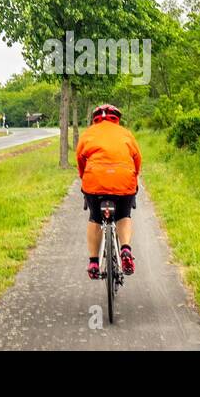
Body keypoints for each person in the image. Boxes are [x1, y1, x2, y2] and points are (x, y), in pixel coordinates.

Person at [75, 103, 141, 280]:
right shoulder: (126, 134)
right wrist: (134, 177)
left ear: (95, 119)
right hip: (123, 181)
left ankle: (94, 262)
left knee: (95, 218)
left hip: (94, 183)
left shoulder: (88, 133)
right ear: (117, 119)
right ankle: (125, 249)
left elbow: (80, 159)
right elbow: (137, 159)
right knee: (124, 215)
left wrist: (84, 178)